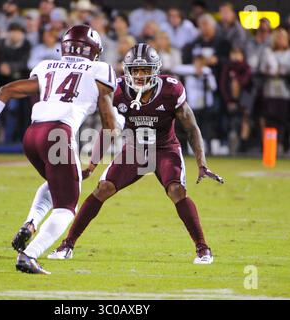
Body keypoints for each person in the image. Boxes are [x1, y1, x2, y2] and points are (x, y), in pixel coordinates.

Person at [46, 44, 224, 264]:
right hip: (134, 150)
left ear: (155, 70)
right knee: (103, 188)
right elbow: (109, 129)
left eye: (145, 70)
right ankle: (67, 245)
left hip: (164, 149)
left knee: (177, 190)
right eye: (136, 70)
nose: (140, 75)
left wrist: (202, 163)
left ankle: (203, 249)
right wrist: (92, 166)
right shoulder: (117, 90)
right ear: (127, 70)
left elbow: (192, 128)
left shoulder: (171, 89)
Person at [0, 25, 119, 274]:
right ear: (94, 51)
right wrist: (95, 161)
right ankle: (29, 256)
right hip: (58, 133)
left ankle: (31, 223)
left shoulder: (46, 66)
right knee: (66, 207)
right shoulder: (100, 70)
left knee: (57, 185)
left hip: (32, 135)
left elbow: (6, 90)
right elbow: (109, 126)